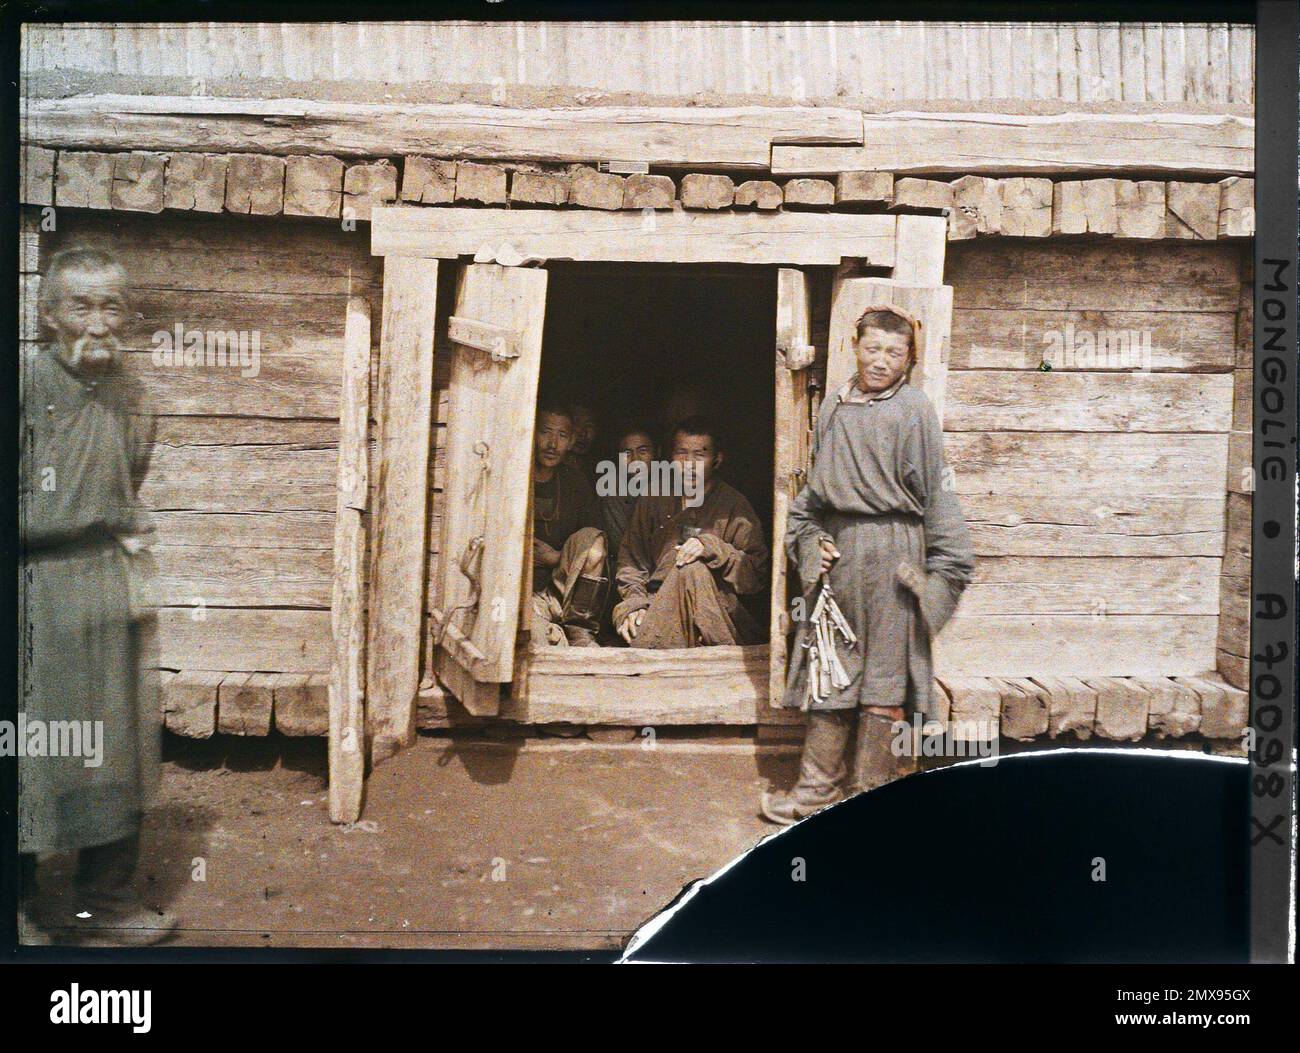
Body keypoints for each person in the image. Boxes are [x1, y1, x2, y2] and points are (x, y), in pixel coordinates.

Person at [760, 304, 976, 826]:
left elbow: (936, 496)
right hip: (842, 562)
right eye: (872, 348)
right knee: (830, 676)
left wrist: (945, 569)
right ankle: (813, 799)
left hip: (895, 559)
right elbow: (810, 501)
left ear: (908, 360)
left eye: (894, 352)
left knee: (884, 682)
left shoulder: (914, 411)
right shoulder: (834, 407)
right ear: (853, 347)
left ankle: (868, 805)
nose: (881, 361)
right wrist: (812, 543)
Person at [18, 248, 174, 944]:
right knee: (26, 746)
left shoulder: (136, 399)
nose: (98, 321)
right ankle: (18, 904)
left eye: (112, 305)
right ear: (47, 315)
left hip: (109, 589)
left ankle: (102, 899)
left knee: (119, 744)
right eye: (80, 304)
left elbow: (126, 485)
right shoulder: (23, 389)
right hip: (29, 588)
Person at [613, 416, 769, 648]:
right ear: (670, 457)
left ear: (716, 459)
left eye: (699, 455)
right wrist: (635, 604)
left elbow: (756, 576)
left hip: (718, 620)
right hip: (660, 609)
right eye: (681, 453)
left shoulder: (734, 506)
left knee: (692, 570)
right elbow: (631, 564)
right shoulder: (654, 500)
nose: (689, 463)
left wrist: (712, 548)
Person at [530, 401, 608, 647]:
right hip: (520, 590)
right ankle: (547, 628)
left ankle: (579, 628)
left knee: (593, 540)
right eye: (545, 432)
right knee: (537, 640)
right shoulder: (516, 473)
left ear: (571, 440)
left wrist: (556, 557)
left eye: (561, 435)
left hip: (560, 586)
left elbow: (597, 536)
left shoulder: (574, 481)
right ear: (531, 431)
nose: (552, 444)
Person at [599, 423, 656, 559]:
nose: (636, 460)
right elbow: (622, 546)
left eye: (642, 451)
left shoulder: (669, 485)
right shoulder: (613, 489)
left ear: (656, 452)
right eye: (627, 453)